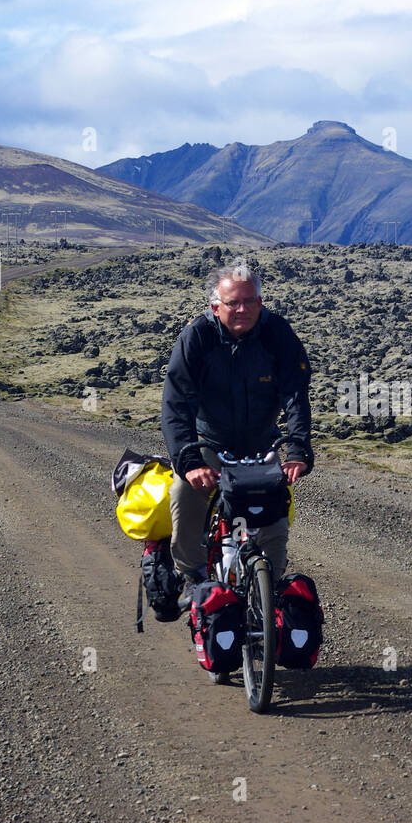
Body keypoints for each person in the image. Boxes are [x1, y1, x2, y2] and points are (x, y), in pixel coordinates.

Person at [155, 259, 314, 620]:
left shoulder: (278, 334)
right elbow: (175, 404)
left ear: (261, 302)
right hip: (209, 445)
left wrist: (298, 447)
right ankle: (192, 575)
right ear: (215, 307)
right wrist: (189, 462)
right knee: (184, 491)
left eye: (251, 301)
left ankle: (268, 585)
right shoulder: (197, 337)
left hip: (262, 443)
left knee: (274, 506)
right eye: (233, 303)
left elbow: (295, 396)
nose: (243, 309)